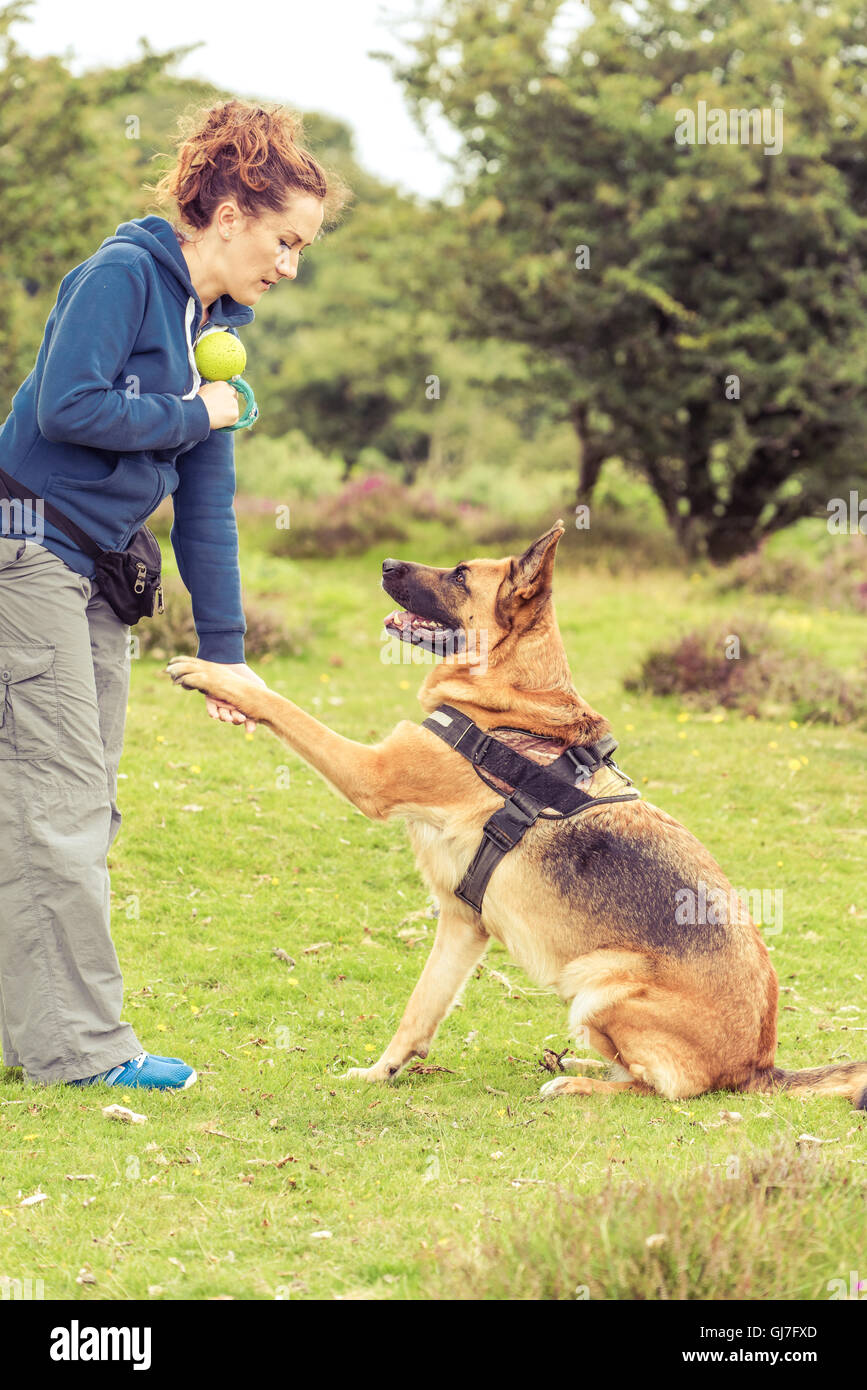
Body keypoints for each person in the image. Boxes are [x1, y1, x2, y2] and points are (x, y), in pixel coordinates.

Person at [0, 99, 343, 1089]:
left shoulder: (216, 324)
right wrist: (197, 408)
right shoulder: (121, 278)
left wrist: (229, 652)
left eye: (303, 250)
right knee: (56, 805)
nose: (289, 267)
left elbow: (207, 499)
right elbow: (69, 407)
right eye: (285, 241)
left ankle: (32, 1035)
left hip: (95, 572)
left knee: (70, 803)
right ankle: (82, 1053)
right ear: (231, 210)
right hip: (27, 551)